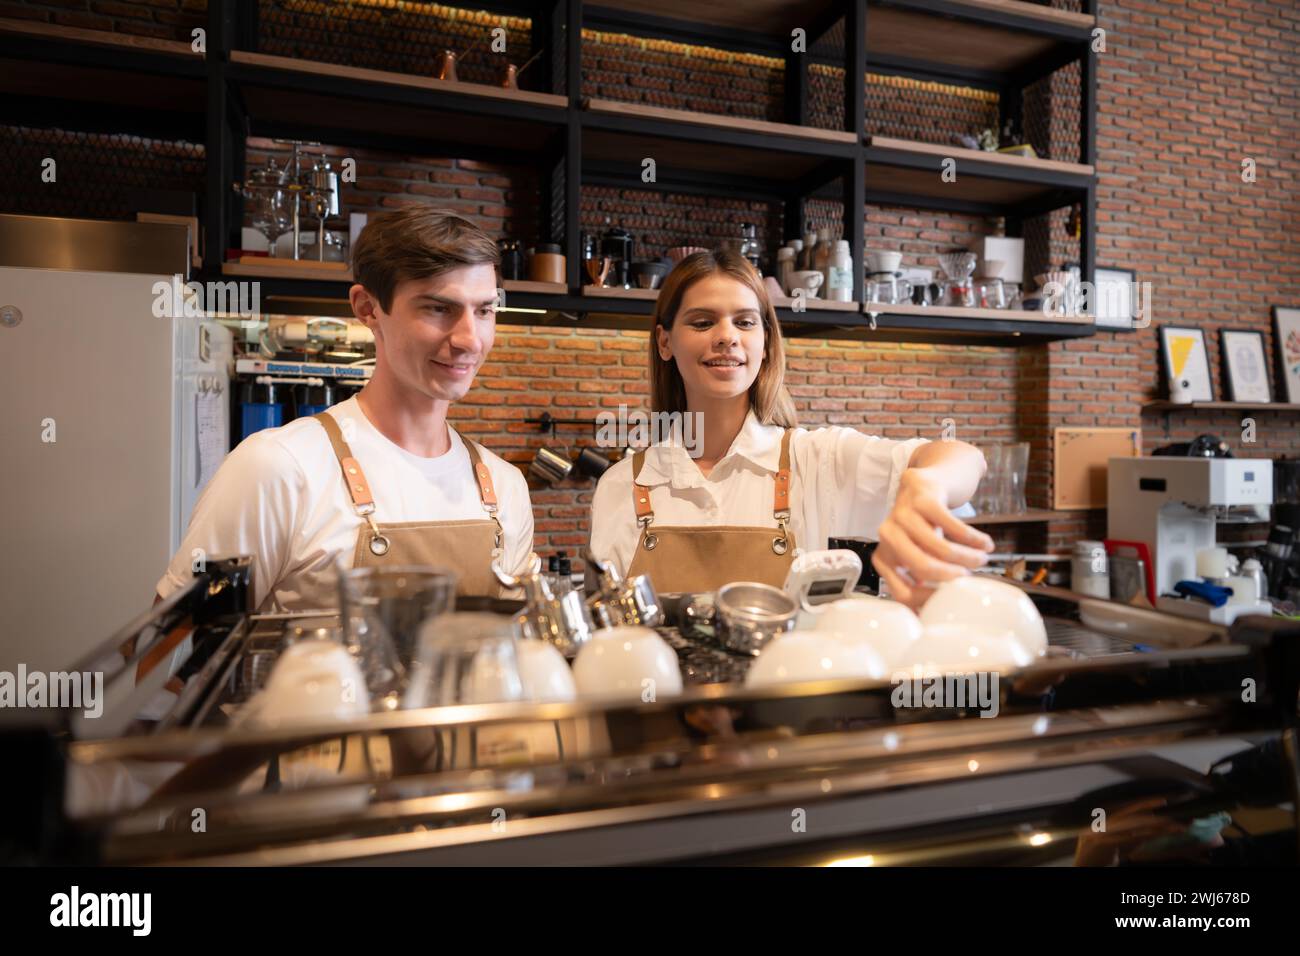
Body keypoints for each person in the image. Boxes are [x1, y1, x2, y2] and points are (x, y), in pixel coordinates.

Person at [155, 207, 536, 613]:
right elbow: (171, 655)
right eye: (438, 308)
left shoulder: (505, 488)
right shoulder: (279, 469)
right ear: (367, 308)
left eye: (485, 310)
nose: (470, 340)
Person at [589, 249, 992, 611]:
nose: (727, 337)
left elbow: (962, 457)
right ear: (665, 342)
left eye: (745, 322)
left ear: (765, 343)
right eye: (702, 322)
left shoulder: (817, 460)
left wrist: (927, 484)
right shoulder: (621, 485)